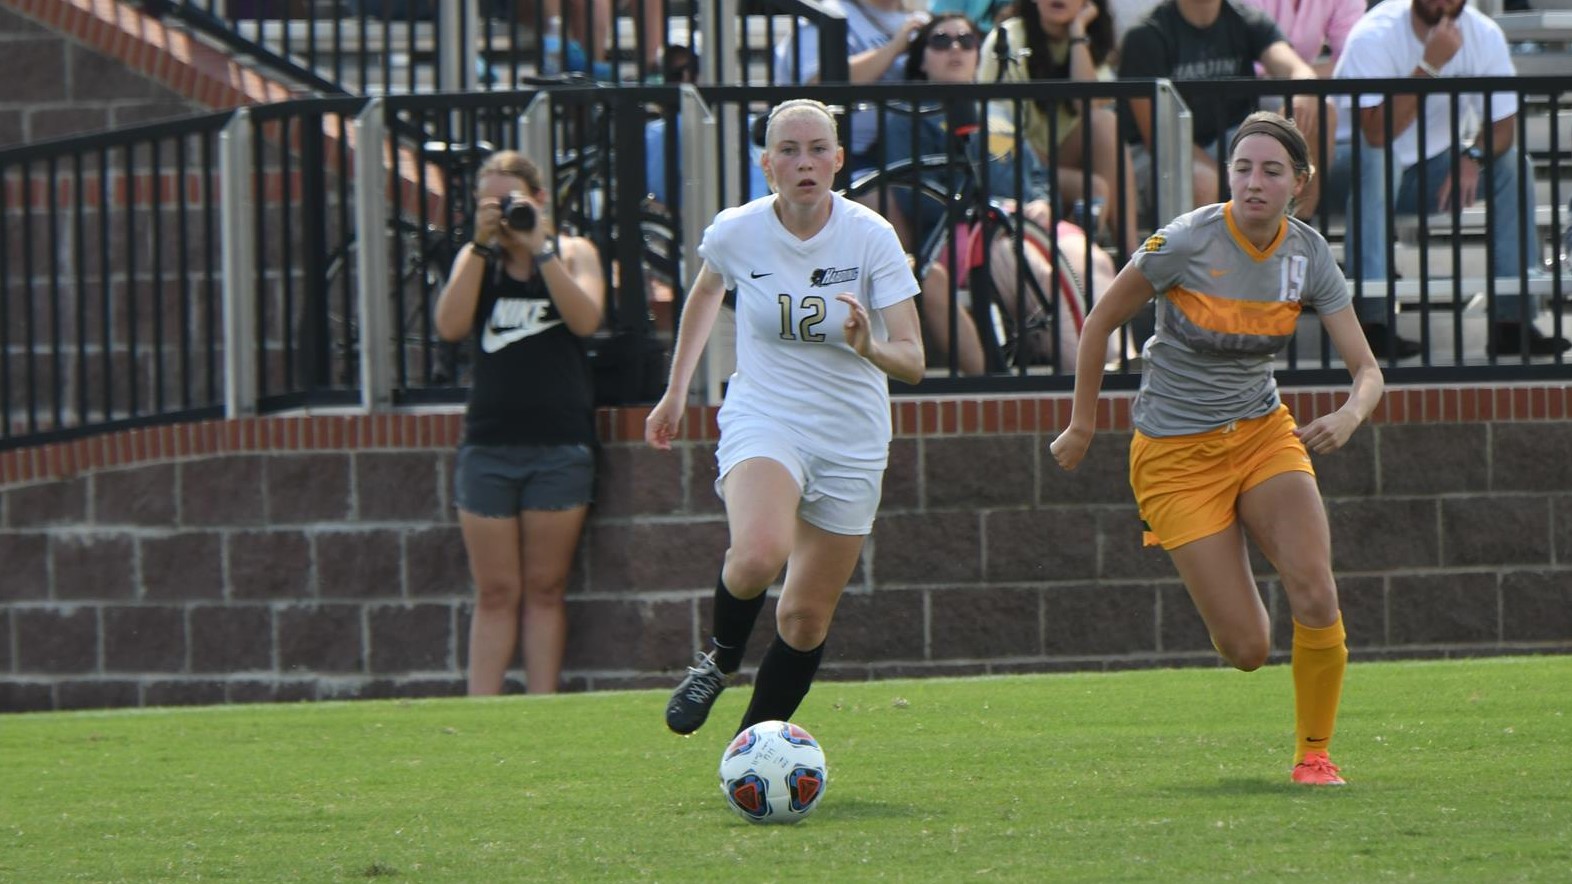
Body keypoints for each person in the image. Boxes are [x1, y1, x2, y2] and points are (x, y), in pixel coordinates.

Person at [1050, 112, 1383, 786]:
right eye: (1242, 167)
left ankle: (1314, 756)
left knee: (1316, 591)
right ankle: (1226, 562)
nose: (1253, 183)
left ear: (1300, 184)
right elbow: (1099, 322)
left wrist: (1350, 415)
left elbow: (1368, 371)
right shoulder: (1183, 241)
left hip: (1262, 434)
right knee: (1248, 648)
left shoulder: (1308, 254)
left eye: (1271, 171)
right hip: (1173, 455)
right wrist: (1083, 424)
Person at [644, 99, 925, 736]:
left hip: (852, 436)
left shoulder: (870, 236)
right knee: (758, 553)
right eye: (790, 151)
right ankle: (717, 660)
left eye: (818, 149)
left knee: (803, 619)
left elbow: (911, 361)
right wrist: (675, 392)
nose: (805, 162)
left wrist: (869, 346)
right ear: (767, 164)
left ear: (839, 160)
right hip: (766, 414)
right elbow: (708, 291)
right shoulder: (738, 230)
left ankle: (751, 749)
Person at [434, 150, 607, 695]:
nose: (504, 211)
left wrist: (541, 251)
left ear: (539, 199)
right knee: (496, 590)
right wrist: (483, 245)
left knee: (545, 587)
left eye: (512, 200)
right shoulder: (476, 259)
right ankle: (480, 709)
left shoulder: (574, 252)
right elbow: (449, 325)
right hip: (488, 446)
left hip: (560, 444)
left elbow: (586, 319)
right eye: (491, 202)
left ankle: (541, 706)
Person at [1330, 0, 1570, 356]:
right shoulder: (1374, 34)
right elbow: (1377, 134)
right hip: (1348, 176)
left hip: (1429, 173)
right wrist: (1430, 64)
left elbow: (1503, 125)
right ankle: (1371, 323)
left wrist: (1473, 155)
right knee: (1381, 160)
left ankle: (1511, 323)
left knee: (1511, 164)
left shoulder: (1483, 34)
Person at [1117, 0, 1324, 218]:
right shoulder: (1145, 34)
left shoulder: (1246, 18)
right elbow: (1159, 136)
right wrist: (1234, 174)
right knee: (1203, 180)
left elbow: (1294, 67)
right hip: (1161, 153)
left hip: (1232, 143)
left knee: (1318, 112)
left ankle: (1294, 237)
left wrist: (1305, 89)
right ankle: (1207, 251)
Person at [978, 0, 1141, 255]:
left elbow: (1088, 104)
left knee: (1104, 123)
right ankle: (1073, 267)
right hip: (1018, 165)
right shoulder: (1007, 37)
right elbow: (1000, 130)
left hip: (1061, 158)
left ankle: (1132, 258)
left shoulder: (1088, 37)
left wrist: (1077, 35)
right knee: (1094, 188)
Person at [772, 0, 934, 174]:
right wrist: (894, 48)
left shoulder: (920, 19)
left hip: (915, 146)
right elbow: (817, 84)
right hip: (845, 155)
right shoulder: (826, 14)